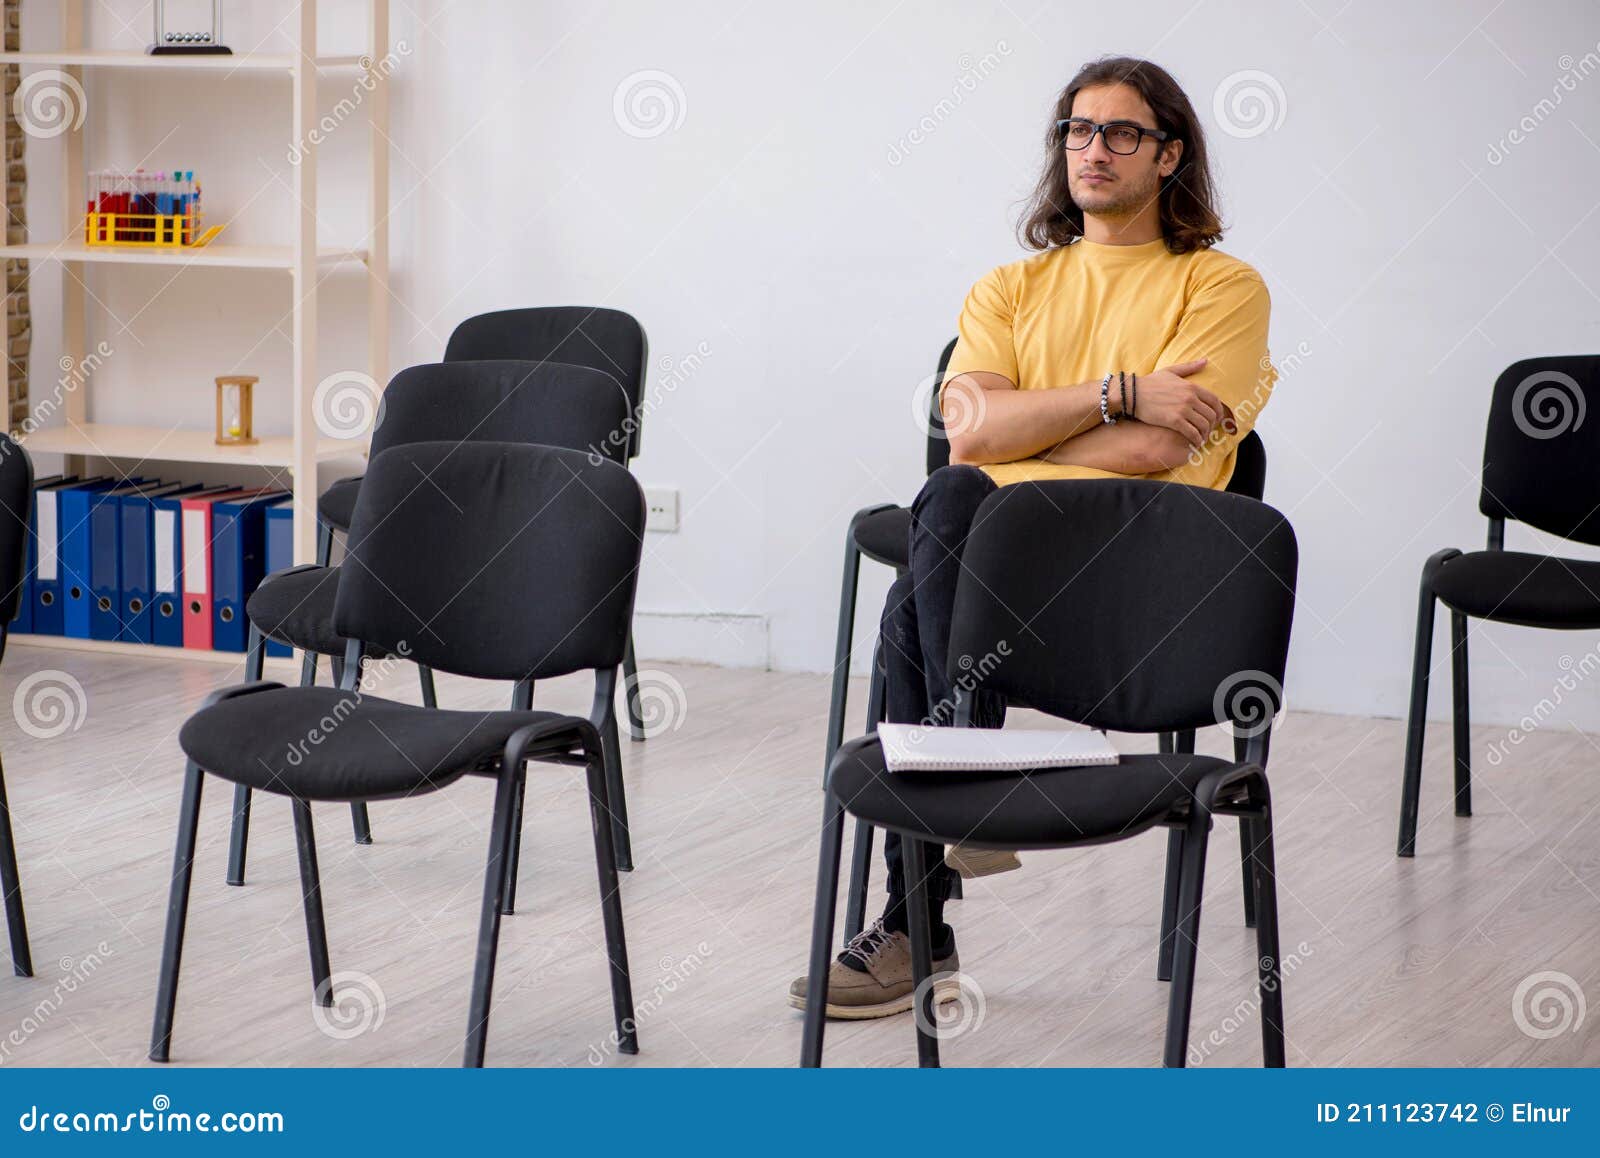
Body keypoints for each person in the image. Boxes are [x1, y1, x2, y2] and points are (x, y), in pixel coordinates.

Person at [790, 55, 1279, 1020]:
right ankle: (940, 851)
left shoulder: (1223, 287)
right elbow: (970, 428)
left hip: (1139, 570)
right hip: (996, 566)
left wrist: (1037, 424)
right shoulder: (1007, 289)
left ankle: (927, 893)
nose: (1094, 151)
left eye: (1123, 133)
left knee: (944, 523)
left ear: (1170, 154)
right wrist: (1119, 388)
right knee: (942, 525)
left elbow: (1151, 456)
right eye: (1078, 131)